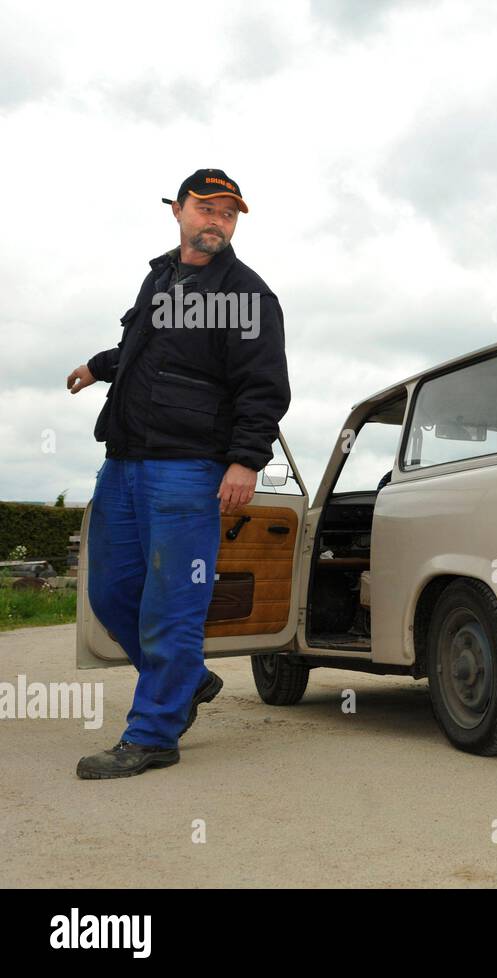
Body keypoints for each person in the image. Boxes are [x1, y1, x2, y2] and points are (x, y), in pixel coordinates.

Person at [66, 168, 290, 779]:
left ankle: (154, 733)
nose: (218, 219)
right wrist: (98, 365)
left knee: (172, 607)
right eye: (207, 207)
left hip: (189, 470)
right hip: (125, 462)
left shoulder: (248, 294)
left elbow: (264, 385)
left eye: (230, 213)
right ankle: (186, 679)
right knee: (111, 592)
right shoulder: (159, 278)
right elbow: (147, 348)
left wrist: (246, 459)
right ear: (178, 210)